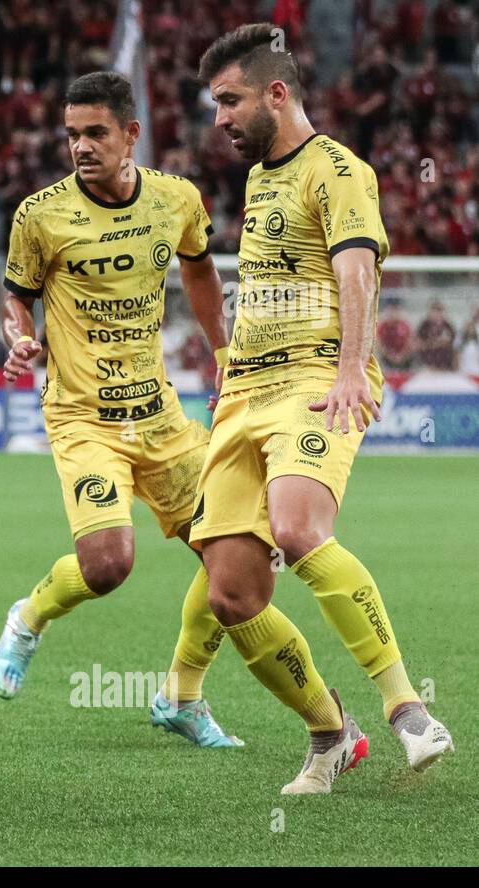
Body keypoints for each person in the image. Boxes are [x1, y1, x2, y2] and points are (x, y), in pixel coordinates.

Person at [194, 23, 452, 794]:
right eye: (215, 104)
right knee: (231, 592)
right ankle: (333, 734)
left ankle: (408, 706)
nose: (220, 119)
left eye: (230, 100)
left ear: (278, 92)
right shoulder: (260, 176)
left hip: (313, 380)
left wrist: (349, 370)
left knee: (301, 528)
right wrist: (229, 370)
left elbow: (357, 271)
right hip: (245, 392)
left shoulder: (338, 169)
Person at [0, 71, 242, 749]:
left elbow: (198, 270)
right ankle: (29, 616)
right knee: (108, 563)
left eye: (96, 132)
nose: (80, 146)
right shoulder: (39, 215)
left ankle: (182, 697)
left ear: (131, 134)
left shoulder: (176, 200)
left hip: (160, 418)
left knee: (238, 561)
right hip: (82, 416)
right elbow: (14, 297)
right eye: (72, 134)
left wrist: (224, 357)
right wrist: (18, 335)